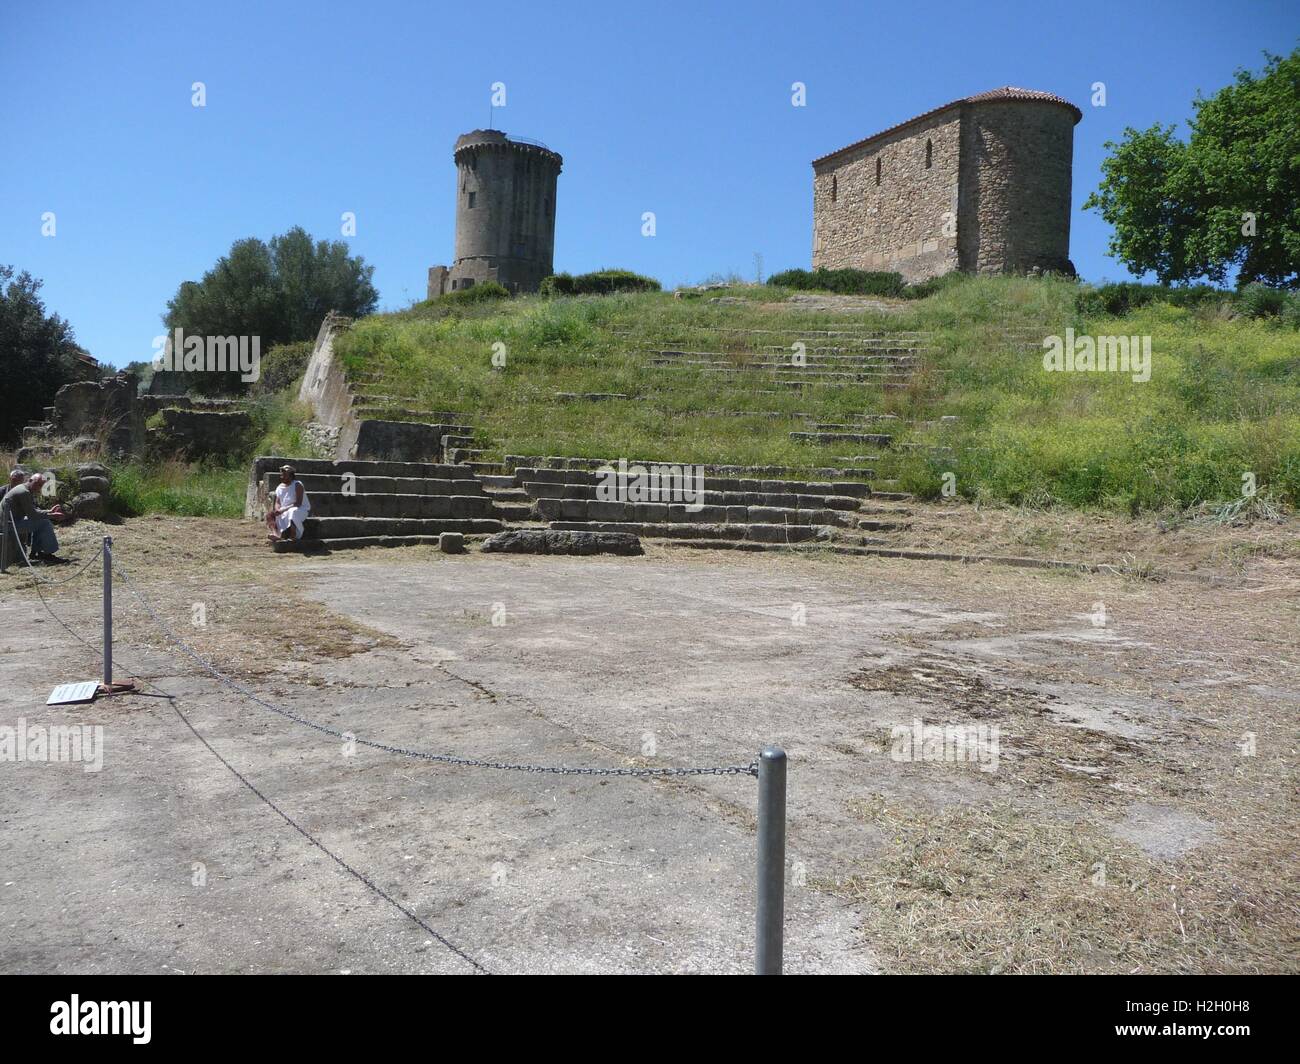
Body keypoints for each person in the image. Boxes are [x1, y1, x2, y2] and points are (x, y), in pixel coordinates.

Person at [1, 472, 66, 564]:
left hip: (10, 522)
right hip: (8, 525)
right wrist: (52, 515)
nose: (38, 487)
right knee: (44, 523)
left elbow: (33, 511)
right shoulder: (24, 492)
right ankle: (46, 554)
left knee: (42, 521)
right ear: (30, 480)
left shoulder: (24, 489)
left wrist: (49, 512)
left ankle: (37, 552)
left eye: (41, 485)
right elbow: (33, 515)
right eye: (37, 484)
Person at [265, 464, 311, 544]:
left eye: (284, 475)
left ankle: (293, 535)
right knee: (269, 515)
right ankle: (276, 534)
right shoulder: (279, 487)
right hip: (284, 510)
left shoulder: (297, 484)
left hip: (300, 509)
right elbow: (278, 502)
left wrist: (283, 510)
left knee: (292, 512)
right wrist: (278, 509)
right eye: (281, 475)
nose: (281, 477)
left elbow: (298, 503)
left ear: (291, 476)